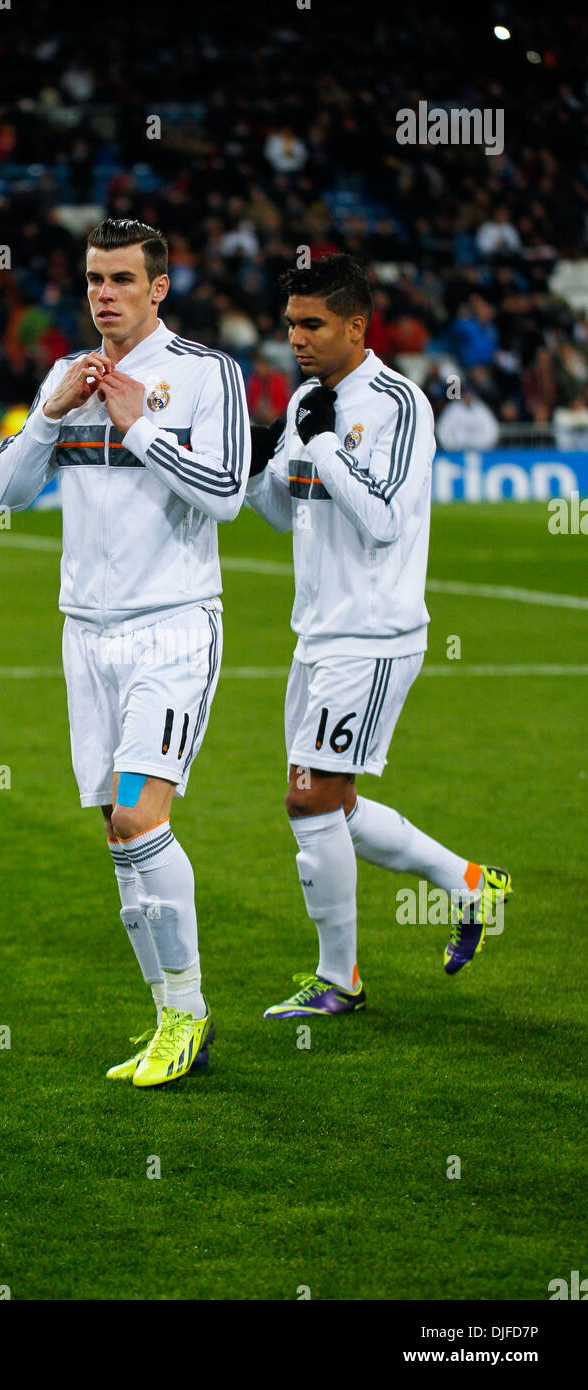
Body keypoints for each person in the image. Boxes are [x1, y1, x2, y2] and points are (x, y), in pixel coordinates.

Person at [0, 219, 250, 1084]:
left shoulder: (207, 375)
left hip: (171, 627)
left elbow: (227, 496)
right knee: (116, 833)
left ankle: (190, 1012)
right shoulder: (66, 377)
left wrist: (139, 425)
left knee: (142, 816)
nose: (105, 294)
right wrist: (48, 414)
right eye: (95, 279)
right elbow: (5, 491)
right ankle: (169, 1017)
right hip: (84, 634)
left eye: (122, 280)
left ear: (159, 288)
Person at [245, 254, 511, 1019]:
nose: (295, 338)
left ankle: (339, 980)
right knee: (334, 803)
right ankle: (470, 884)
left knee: (308, 800)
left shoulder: (398, 404)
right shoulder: (305, 400)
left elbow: (387, 519)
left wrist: (324, 445)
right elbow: (280, 513)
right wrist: (270, 462)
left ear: (356, 327)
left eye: (312, 324)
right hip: (318, 633)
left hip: (375, 631)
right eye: (290, 323)